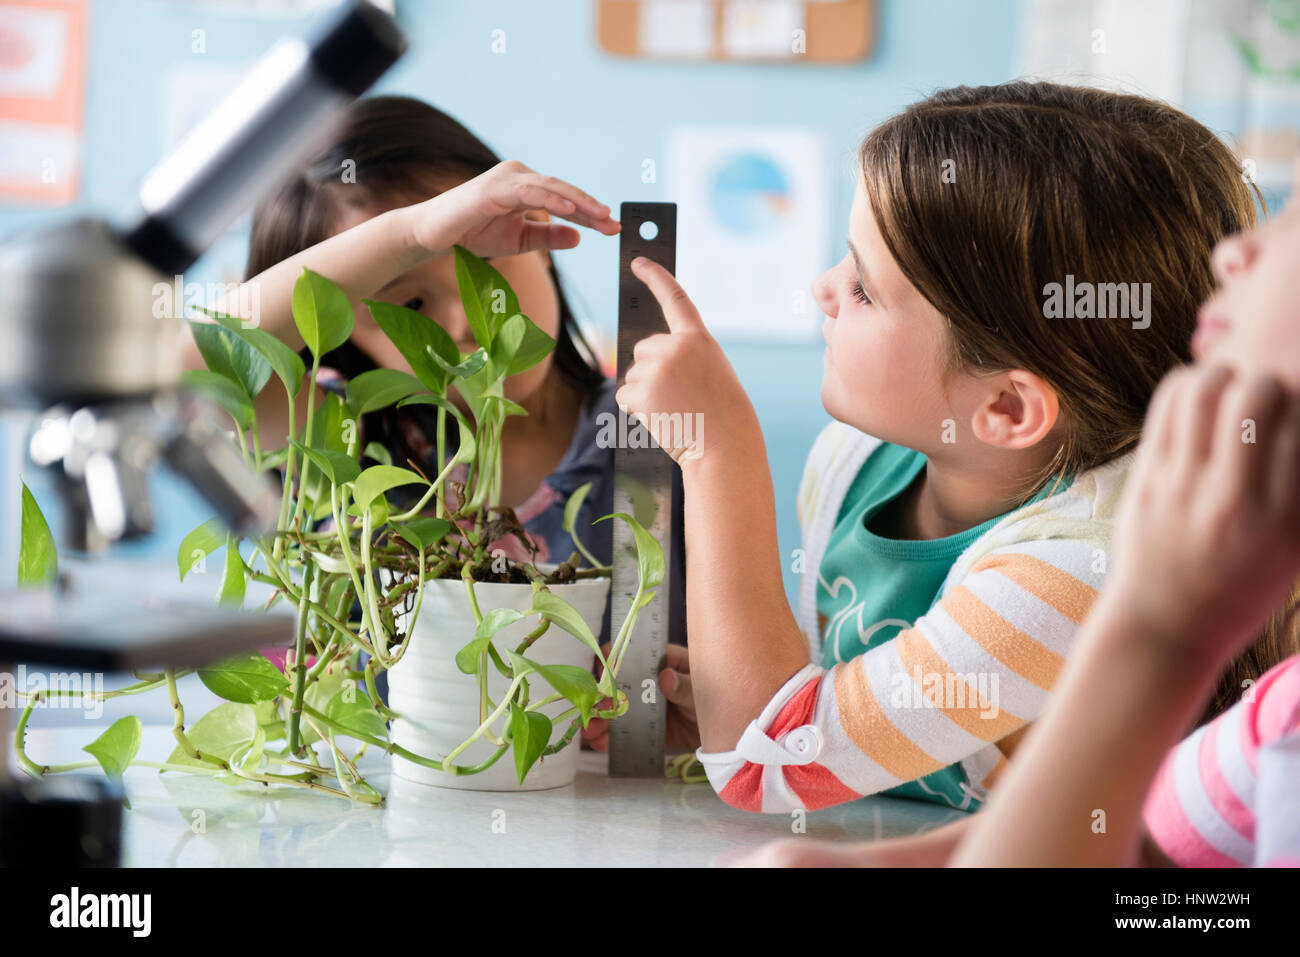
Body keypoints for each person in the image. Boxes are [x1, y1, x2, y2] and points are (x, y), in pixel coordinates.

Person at [604, 81, 1282, 814]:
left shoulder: (1078, 571)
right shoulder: (853, 462)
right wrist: (737, 697)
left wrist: (716, 451)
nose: (824, 289)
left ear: (1006, 406)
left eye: (864, 288)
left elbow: (762, 771)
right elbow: (796, 717)